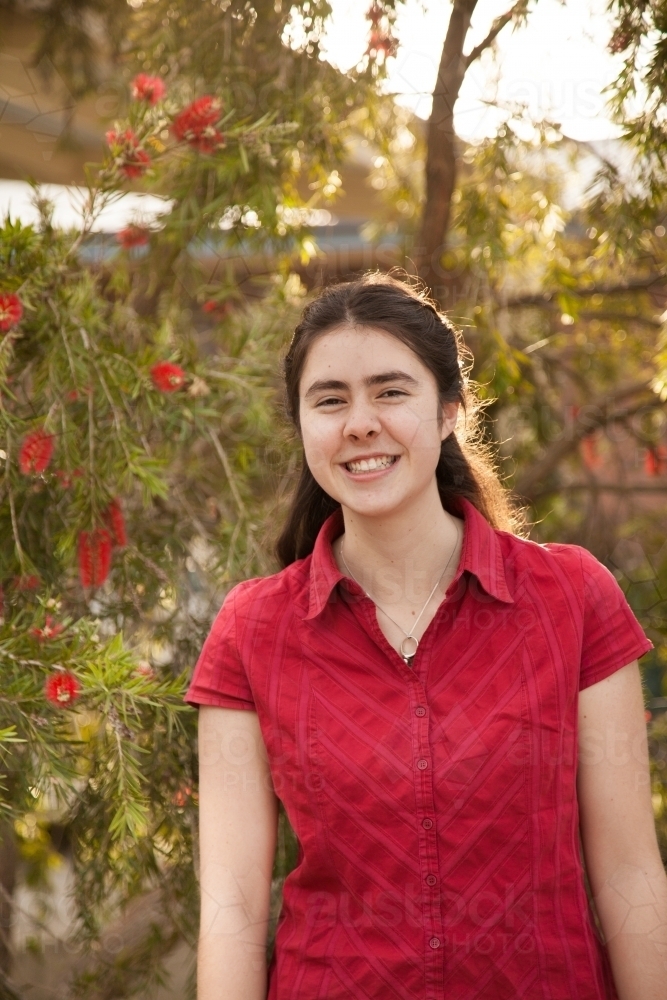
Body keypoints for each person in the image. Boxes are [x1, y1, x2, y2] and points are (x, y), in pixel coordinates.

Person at [185, 273, 666, 1000]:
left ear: (447, 412)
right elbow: (231, 910)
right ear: (302, 425)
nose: (359, 423)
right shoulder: (252, 631)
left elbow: (629, 874)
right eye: (330, 400)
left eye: (389, 391)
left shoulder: (573, 599)